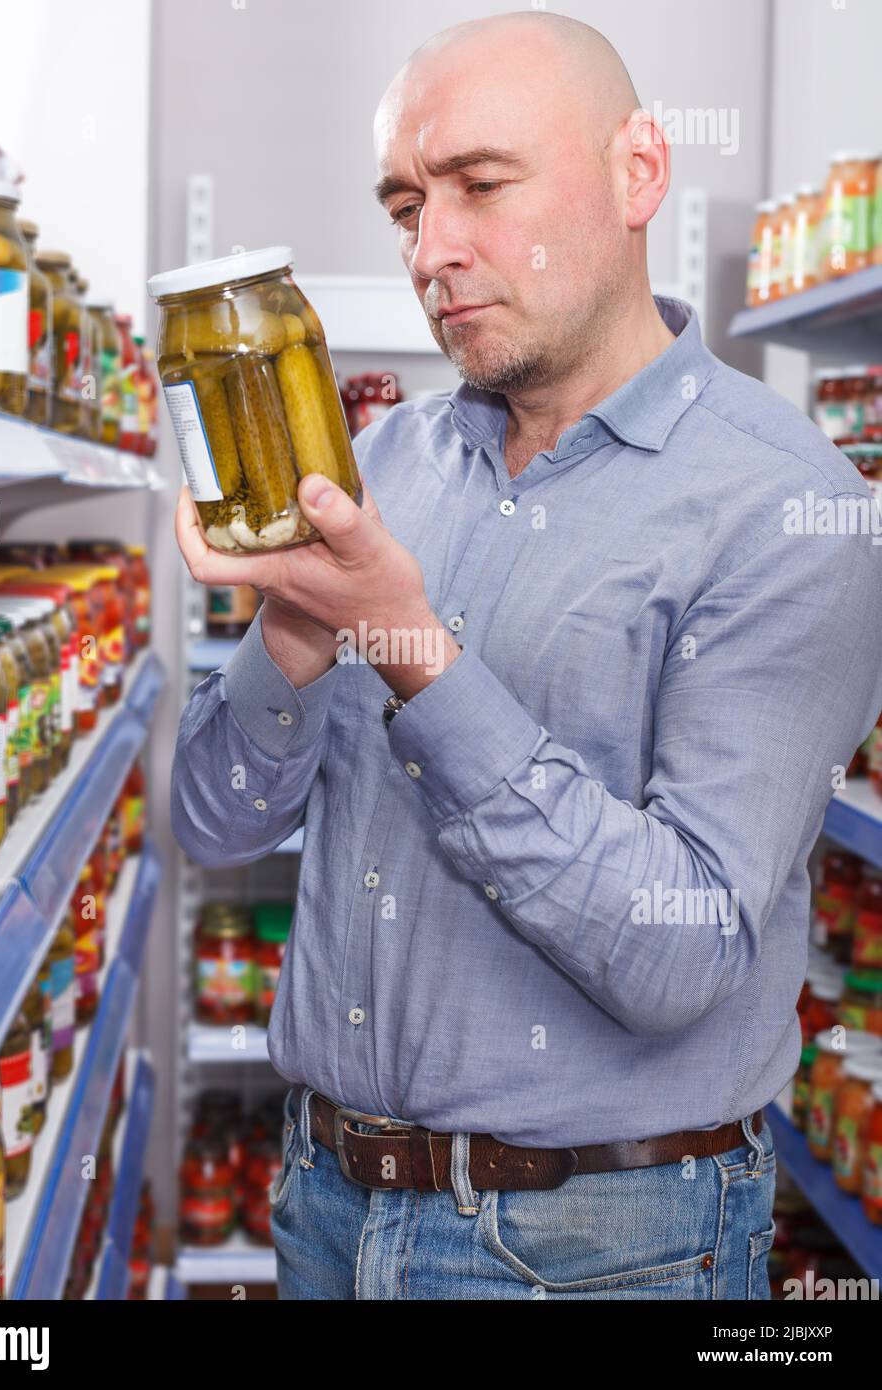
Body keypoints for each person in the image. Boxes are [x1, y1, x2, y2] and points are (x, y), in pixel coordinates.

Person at [171, 10, 882, 1300]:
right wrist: (288, 632)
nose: (433, 249)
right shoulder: (382, 466)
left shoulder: (790, 510)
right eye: (404, 207)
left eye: (482, 186)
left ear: (640, 172)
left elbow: (679, 958)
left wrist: (410, 649)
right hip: (325, 1203)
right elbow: (217, 826)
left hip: (594, 1248)